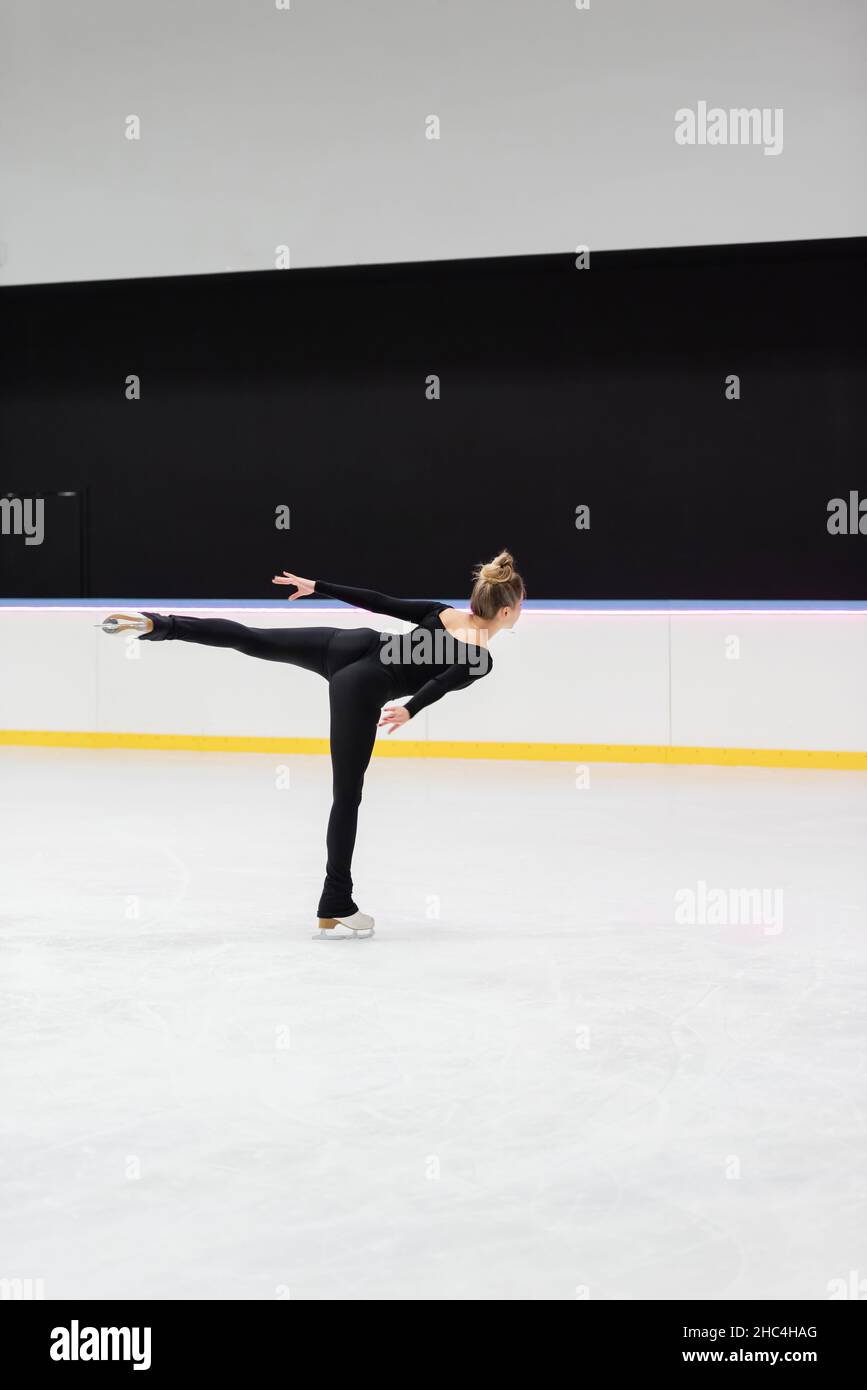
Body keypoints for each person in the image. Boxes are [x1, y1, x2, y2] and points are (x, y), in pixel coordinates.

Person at [101, 551, 525, 939]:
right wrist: (411, 709)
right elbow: (442, 682)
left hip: (351, 644)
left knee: (252, 637)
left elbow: (379, 601)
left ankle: (161, 625)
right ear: (505, 611)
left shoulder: (443, 613)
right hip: (364, 685)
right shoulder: (480, 656)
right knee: (347, 798)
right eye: (519, 606)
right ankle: (335, 901)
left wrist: (318, 587)